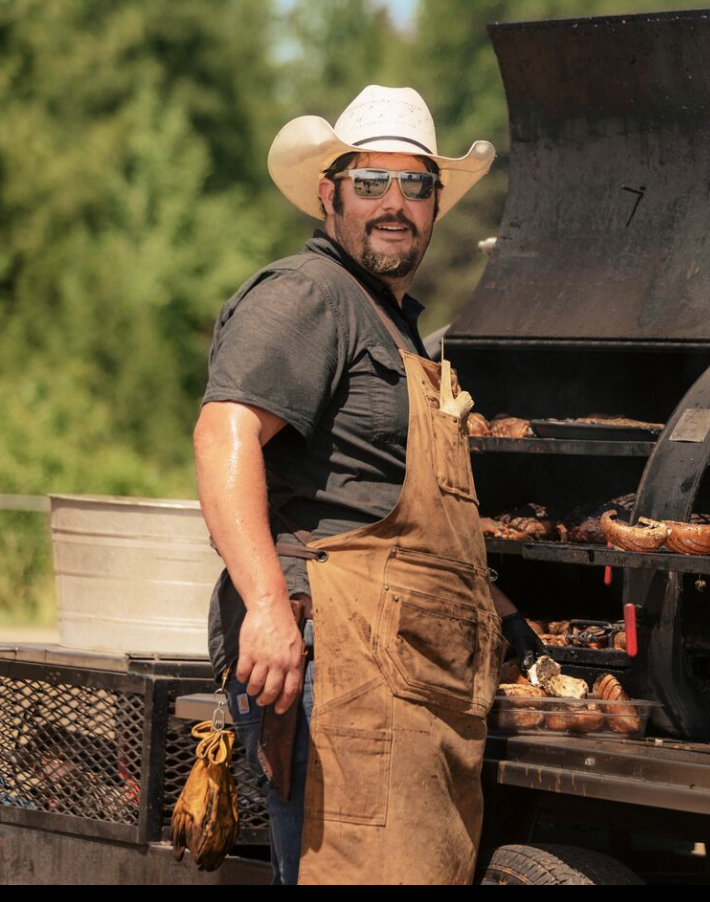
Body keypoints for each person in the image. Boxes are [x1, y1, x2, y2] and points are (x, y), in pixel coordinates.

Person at [194, 85, 542, 884]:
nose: (394, 203)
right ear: (329, 194)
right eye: (371, 181)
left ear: (436, 204)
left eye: (414, 184)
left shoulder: (393, 320)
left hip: (406, 676)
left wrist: (498, 612)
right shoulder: (308, 295)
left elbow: (391, 498)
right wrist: (269, 610)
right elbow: (225, 435)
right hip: (336, 665)